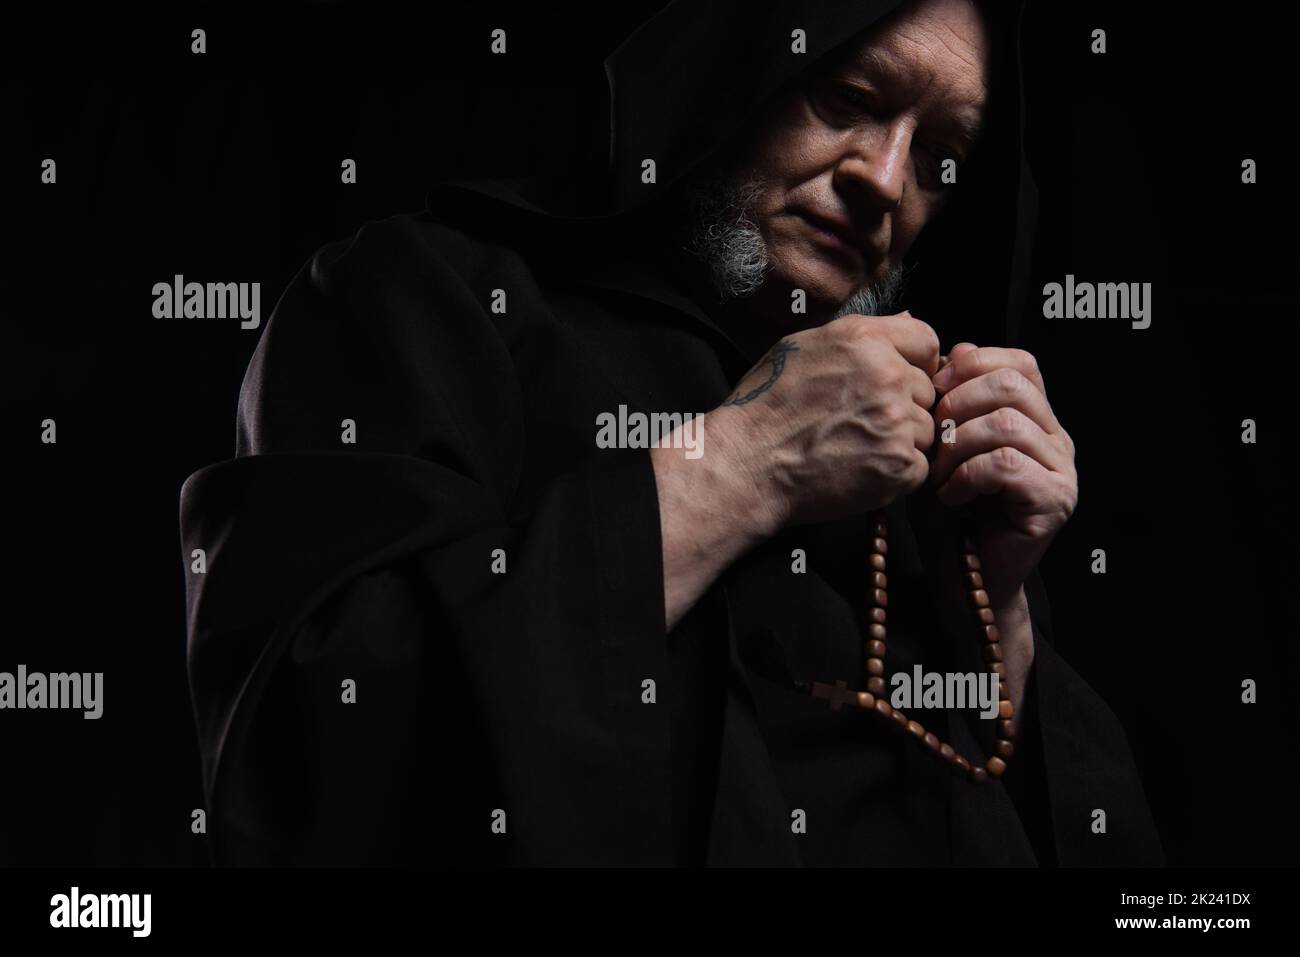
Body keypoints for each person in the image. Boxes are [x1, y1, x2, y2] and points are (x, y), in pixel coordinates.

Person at [180, 0, 1164, 865]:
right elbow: (309, 764)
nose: (885, 179)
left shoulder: (922, 463)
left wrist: (997, 622)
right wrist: (739, 467)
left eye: (940, 157)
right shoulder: (430, 301)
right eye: (851, 97)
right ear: (739, 66)